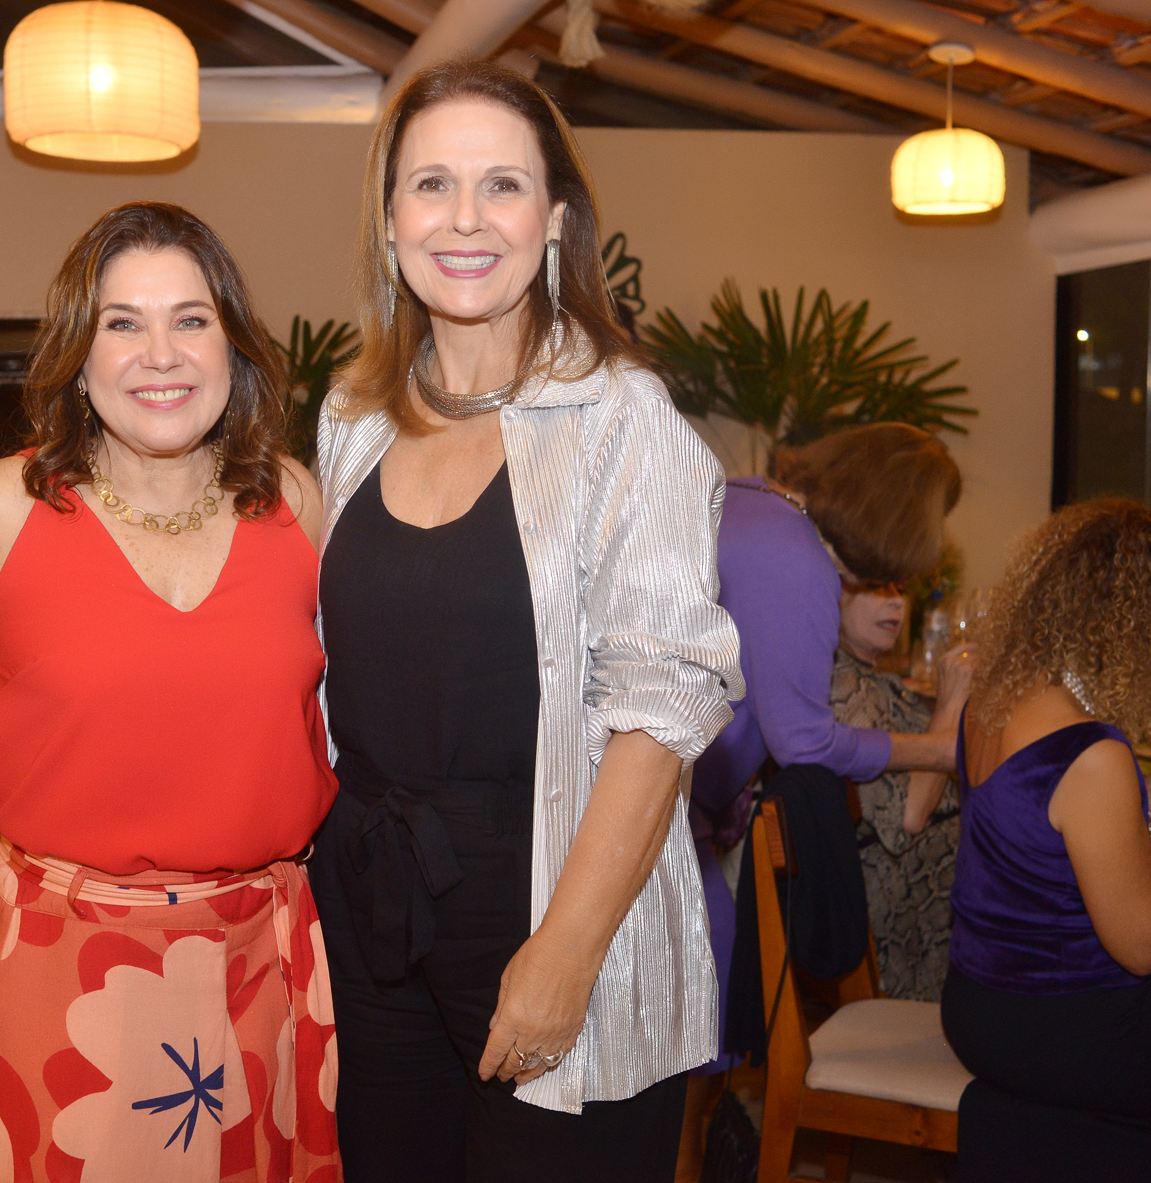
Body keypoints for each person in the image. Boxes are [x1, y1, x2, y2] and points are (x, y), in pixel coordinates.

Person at [0, 202, 340, 1183]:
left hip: (262, 970)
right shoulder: (2, 511)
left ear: (233, 345)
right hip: (57, 980)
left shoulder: (295, 505)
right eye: (123, 322)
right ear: (78, 350)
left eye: (190, 319)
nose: (161, 353)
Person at [309, 60, 745, 1182]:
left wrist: (564, 953)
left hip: (549, 898)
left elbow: (661, 712)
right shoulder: (352, 416)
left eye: (499, 185)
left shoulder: (621, 421)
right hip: (368, 910)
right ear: (389, 217)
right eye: (430, 185)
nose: (463, 219)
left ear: (551, 220)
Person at [682, 423, 968, 1175]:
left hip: (678, 806)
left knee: (696, 1019)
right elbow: (807, 741)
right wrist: (933, 749)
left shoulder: (747, 500)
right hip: (665, 815)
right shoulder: (796, 556)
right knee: (694, 1022)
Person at [942, 498, 1151, 1182]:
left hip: (979, 1003)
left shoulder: (1000, 695)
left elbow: (1043, 828)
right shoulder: (1089, 749)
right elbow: (1144, 942)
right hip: (1062, 1025)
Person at [830, 578, 963, 1002]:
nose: (895, 603)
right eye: (876, 587)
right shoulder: (838, 683)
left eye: (901, 590)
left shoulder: (872, 676)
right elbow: (907, 816)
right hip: (914, 923)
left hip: (946, 903)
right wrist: (952, 704)